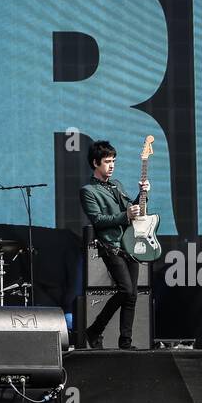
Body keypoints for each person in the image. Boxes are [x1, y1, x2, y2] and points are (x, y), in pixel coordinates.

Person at [79, 140, 150, 350]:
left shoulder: (116, 185)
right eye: (107, 161)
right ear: (95, 163)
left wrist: (143, 194)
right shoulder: (88, 191)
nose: (111, 165)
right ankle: (95, 329)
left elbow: (134, 210)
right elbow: (98, 220)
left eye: (114, 161)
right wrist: (124, 215)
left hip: (131, 244)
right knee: (126, 290)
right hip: (111, 246)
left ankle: (125, 342)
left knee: (132, 295)